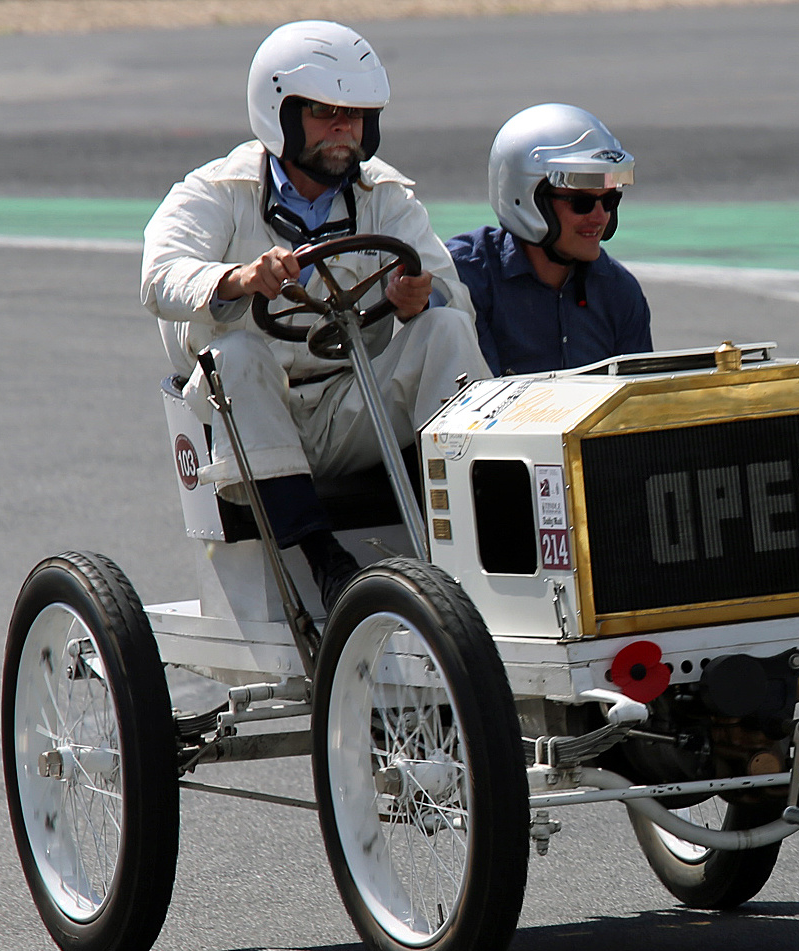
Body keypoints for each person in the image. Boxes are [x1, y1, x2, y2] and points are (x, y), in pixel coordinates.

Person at [142, 21, 488, 608]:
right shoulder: (217, 190)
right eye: (325, 113)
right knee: (235, 354)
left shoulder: (386, 197)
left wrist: (420, 296)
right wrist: (241, 277)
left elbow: (452, 294)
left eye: (353, 116)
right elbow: (159, 276)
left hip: (353, 406)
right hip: (246, 416)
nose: (342, 130)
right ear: (279, 112)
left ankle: (472, 551)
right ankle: (325, 564)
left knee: (447, 328)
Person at [446, 104, 652, 376]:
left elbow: (636, 400)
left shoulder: (619, 292)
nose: (600, 217)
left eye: (611, 200)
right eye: (581, 203)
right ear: (526, 198)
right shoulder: (467, 277)